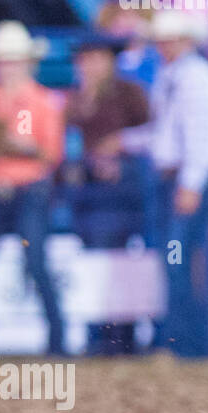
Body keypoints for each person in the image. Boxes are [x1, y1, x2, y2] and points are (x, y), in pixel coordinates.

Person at [0, 21, 66, 356]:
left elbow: (51, 154)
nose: (8, 67)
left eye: (14, 60)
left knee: (36, 263)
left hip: (29, 192)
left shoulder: (43, 101)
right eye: (3, 61)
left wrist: (11, 144)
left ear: (27, 63)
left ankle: (57, 342)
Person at [147, 9, 208, 357]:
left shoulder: (195, 78)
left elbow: (204, 136)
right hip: (179, 178)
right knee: (180, 259)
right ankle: (186, 342)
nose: (164, 46)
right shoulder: (173, 76)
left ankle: (188, 343)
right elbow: (168, 131)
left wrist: (191, 183)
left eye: (170, 39)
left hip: (188, 180)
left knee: (180, 259)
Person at [62, 34, 150, 354]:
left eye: (98, 58)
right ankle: (101, 332)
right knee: (94, 258)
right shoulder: (74, 99)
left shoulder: (129, 94)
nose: (91, 65)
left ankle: (119, 335)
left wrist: (120, 144)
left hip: (123, 190)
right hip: (87, 192)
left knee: (116, 258)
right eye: (86, 58)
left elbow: (152, 133)